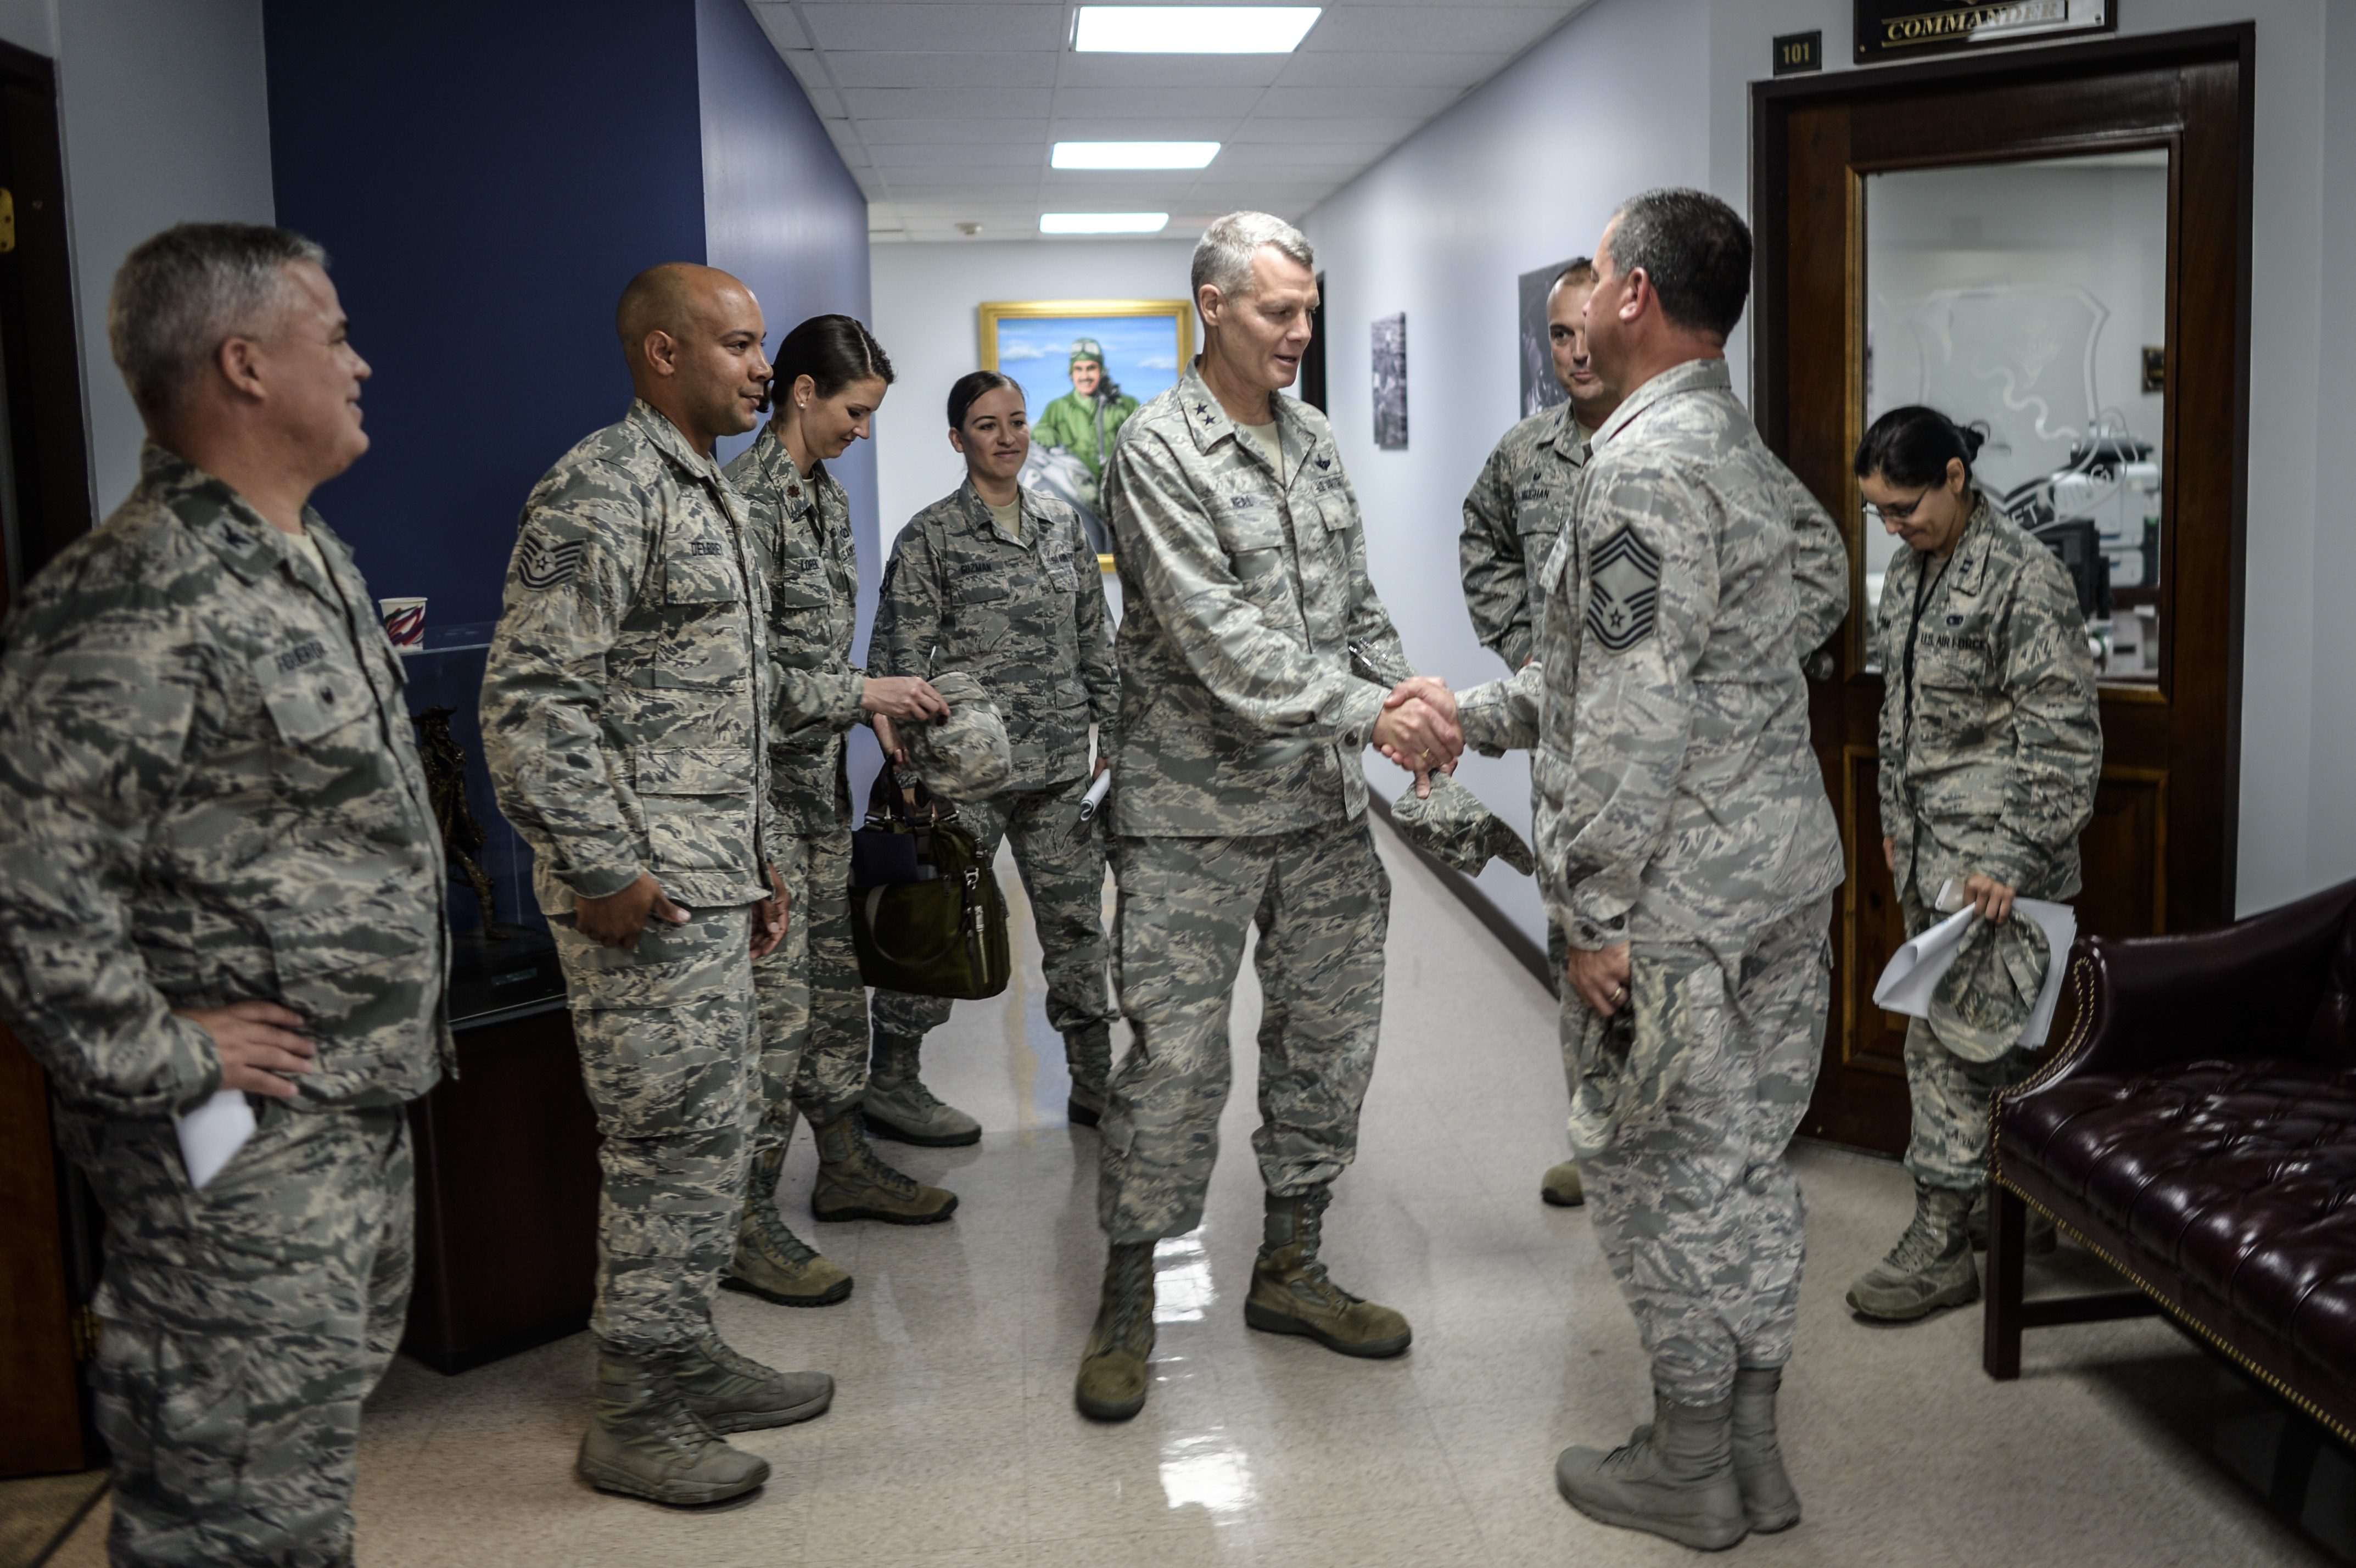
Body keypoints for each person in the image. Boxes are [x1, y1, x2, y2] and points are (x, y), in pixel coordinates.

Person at [0, 222, 447, 1564]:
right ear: (246, 365)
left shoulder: (306, 554)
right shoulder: (136, 591)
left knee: (292, 1477)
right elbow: (31, 884)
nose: (361, 364)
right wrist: (167, 1054)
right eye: (336, 335)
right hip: (234, 1144)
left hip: (350, 1106)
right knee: (231, 1512)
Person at [1454, 188, 1846, 1550]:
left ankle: (1689, 1464)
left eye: (1602, 267)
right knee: (1746, 1168)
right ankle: (1752, 1448)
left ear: (1630, 296)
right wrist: (1485, 707)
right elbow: (1782, 613)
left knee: (1661, 1178)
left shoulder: (1637, 471)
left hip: (1671, 907)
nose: (1589, 293)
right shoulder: (1735, 448)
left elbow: (1632, 709)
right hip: (1784, 876)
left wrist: (1592, 912)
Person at [1073, 210, 1464, 1423]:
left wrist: (1408, 703)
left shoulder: (1313, 440)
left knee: (1327, 1042)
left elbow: (1353, 603)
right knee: (1174, 1067)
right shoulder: (1153, 451)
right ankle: (1130, 1291)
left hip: (1320, 810)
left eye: (1308, 310)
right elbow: (1220, 645)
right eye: (1277, 311)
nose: (1300, 332)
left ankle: (1291, 1264)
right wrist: (1376, 713)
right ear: (1212, 305)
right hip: (1190, 818)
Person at [482, 262, 822, 1506]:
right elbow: (531, 701)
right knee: (666, 1143)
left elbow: (709, 711)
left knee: (709, 1137)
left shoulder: (712, 496)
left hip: (708, 881)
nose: (761, 369)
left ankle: (683, 1356)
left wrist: (762, 860)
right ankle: (631, 1411)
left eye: (763, 346)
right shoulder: (604, 486)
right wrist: (604, 868)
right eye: (738, 346)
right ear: (663, 354)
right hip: (646, 901)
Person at [1844, 406, 2100, 1322]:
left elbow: (2064, 735)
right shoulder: (1910, 571)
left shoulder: (2024, 578)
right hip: (1931, 855)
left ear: (1956, 477)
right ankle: (2019, 1214)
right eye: (1877, 512)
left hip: (1998, 870)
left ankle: (1942, 1240)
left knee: (1947, 1046)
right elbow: (1896, 712)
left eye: (1904, 507)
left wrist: (2009, 855)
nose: (1892, 528)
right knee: (1993, 1045)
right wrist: (1889, 821)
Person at [723, 315, 959, 1308]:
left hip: (817, 791)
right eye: (856, 411)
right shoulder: (743, 505)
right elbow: (738, 677)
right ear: (804, 393)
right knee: (774, 1023)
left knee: (833, 992)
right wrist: (860, 697)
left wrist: (873, 707)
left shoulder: (823, 499)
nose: (865, 431)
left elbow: (816, 657)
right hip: (757, 810)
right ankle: (745, 1222)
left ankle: (846, 1163)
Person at [867, 371, 1121, 1136]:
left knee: (1077, 931)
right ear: (957, 440)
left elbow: (1094, 641)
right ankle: (892, 1082)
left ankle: (1093, 1082)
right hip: (964, 781)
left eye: (1015, 421)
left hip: (1058, 775)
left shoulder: (1060, 525)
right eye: (985, 425)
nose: (1006, 436)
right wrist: (910, 772)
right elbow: (897, 660)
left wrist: (1111, 737)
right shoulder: (930, 537)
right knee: (939, 924)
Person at [1459, 258, 1615, 1211]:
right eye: (1558, 335)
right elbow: (1481, 542)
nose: (1575, 351)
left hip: (1666, 756)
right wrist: (1526, 650)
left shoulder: (1672, 444)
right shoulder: (1525, 454)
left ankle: (1668, 1145)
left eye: (1587, 330)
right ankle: (1595, 1133)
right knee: (1578, 939)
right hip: (1564, 752)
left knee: (1661, 940)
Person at [1033, 335, 1140, 523]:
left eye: (1091, 368)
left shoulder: (1126, 405)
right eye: (1079, 369)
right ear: (1071, 373)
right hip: (1077, 501)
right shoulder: (1057, 408)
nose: (1085, 376)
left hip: (1121, 498)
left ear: (1102, 371)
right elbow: (1037, 433)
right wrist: (1041, 431)